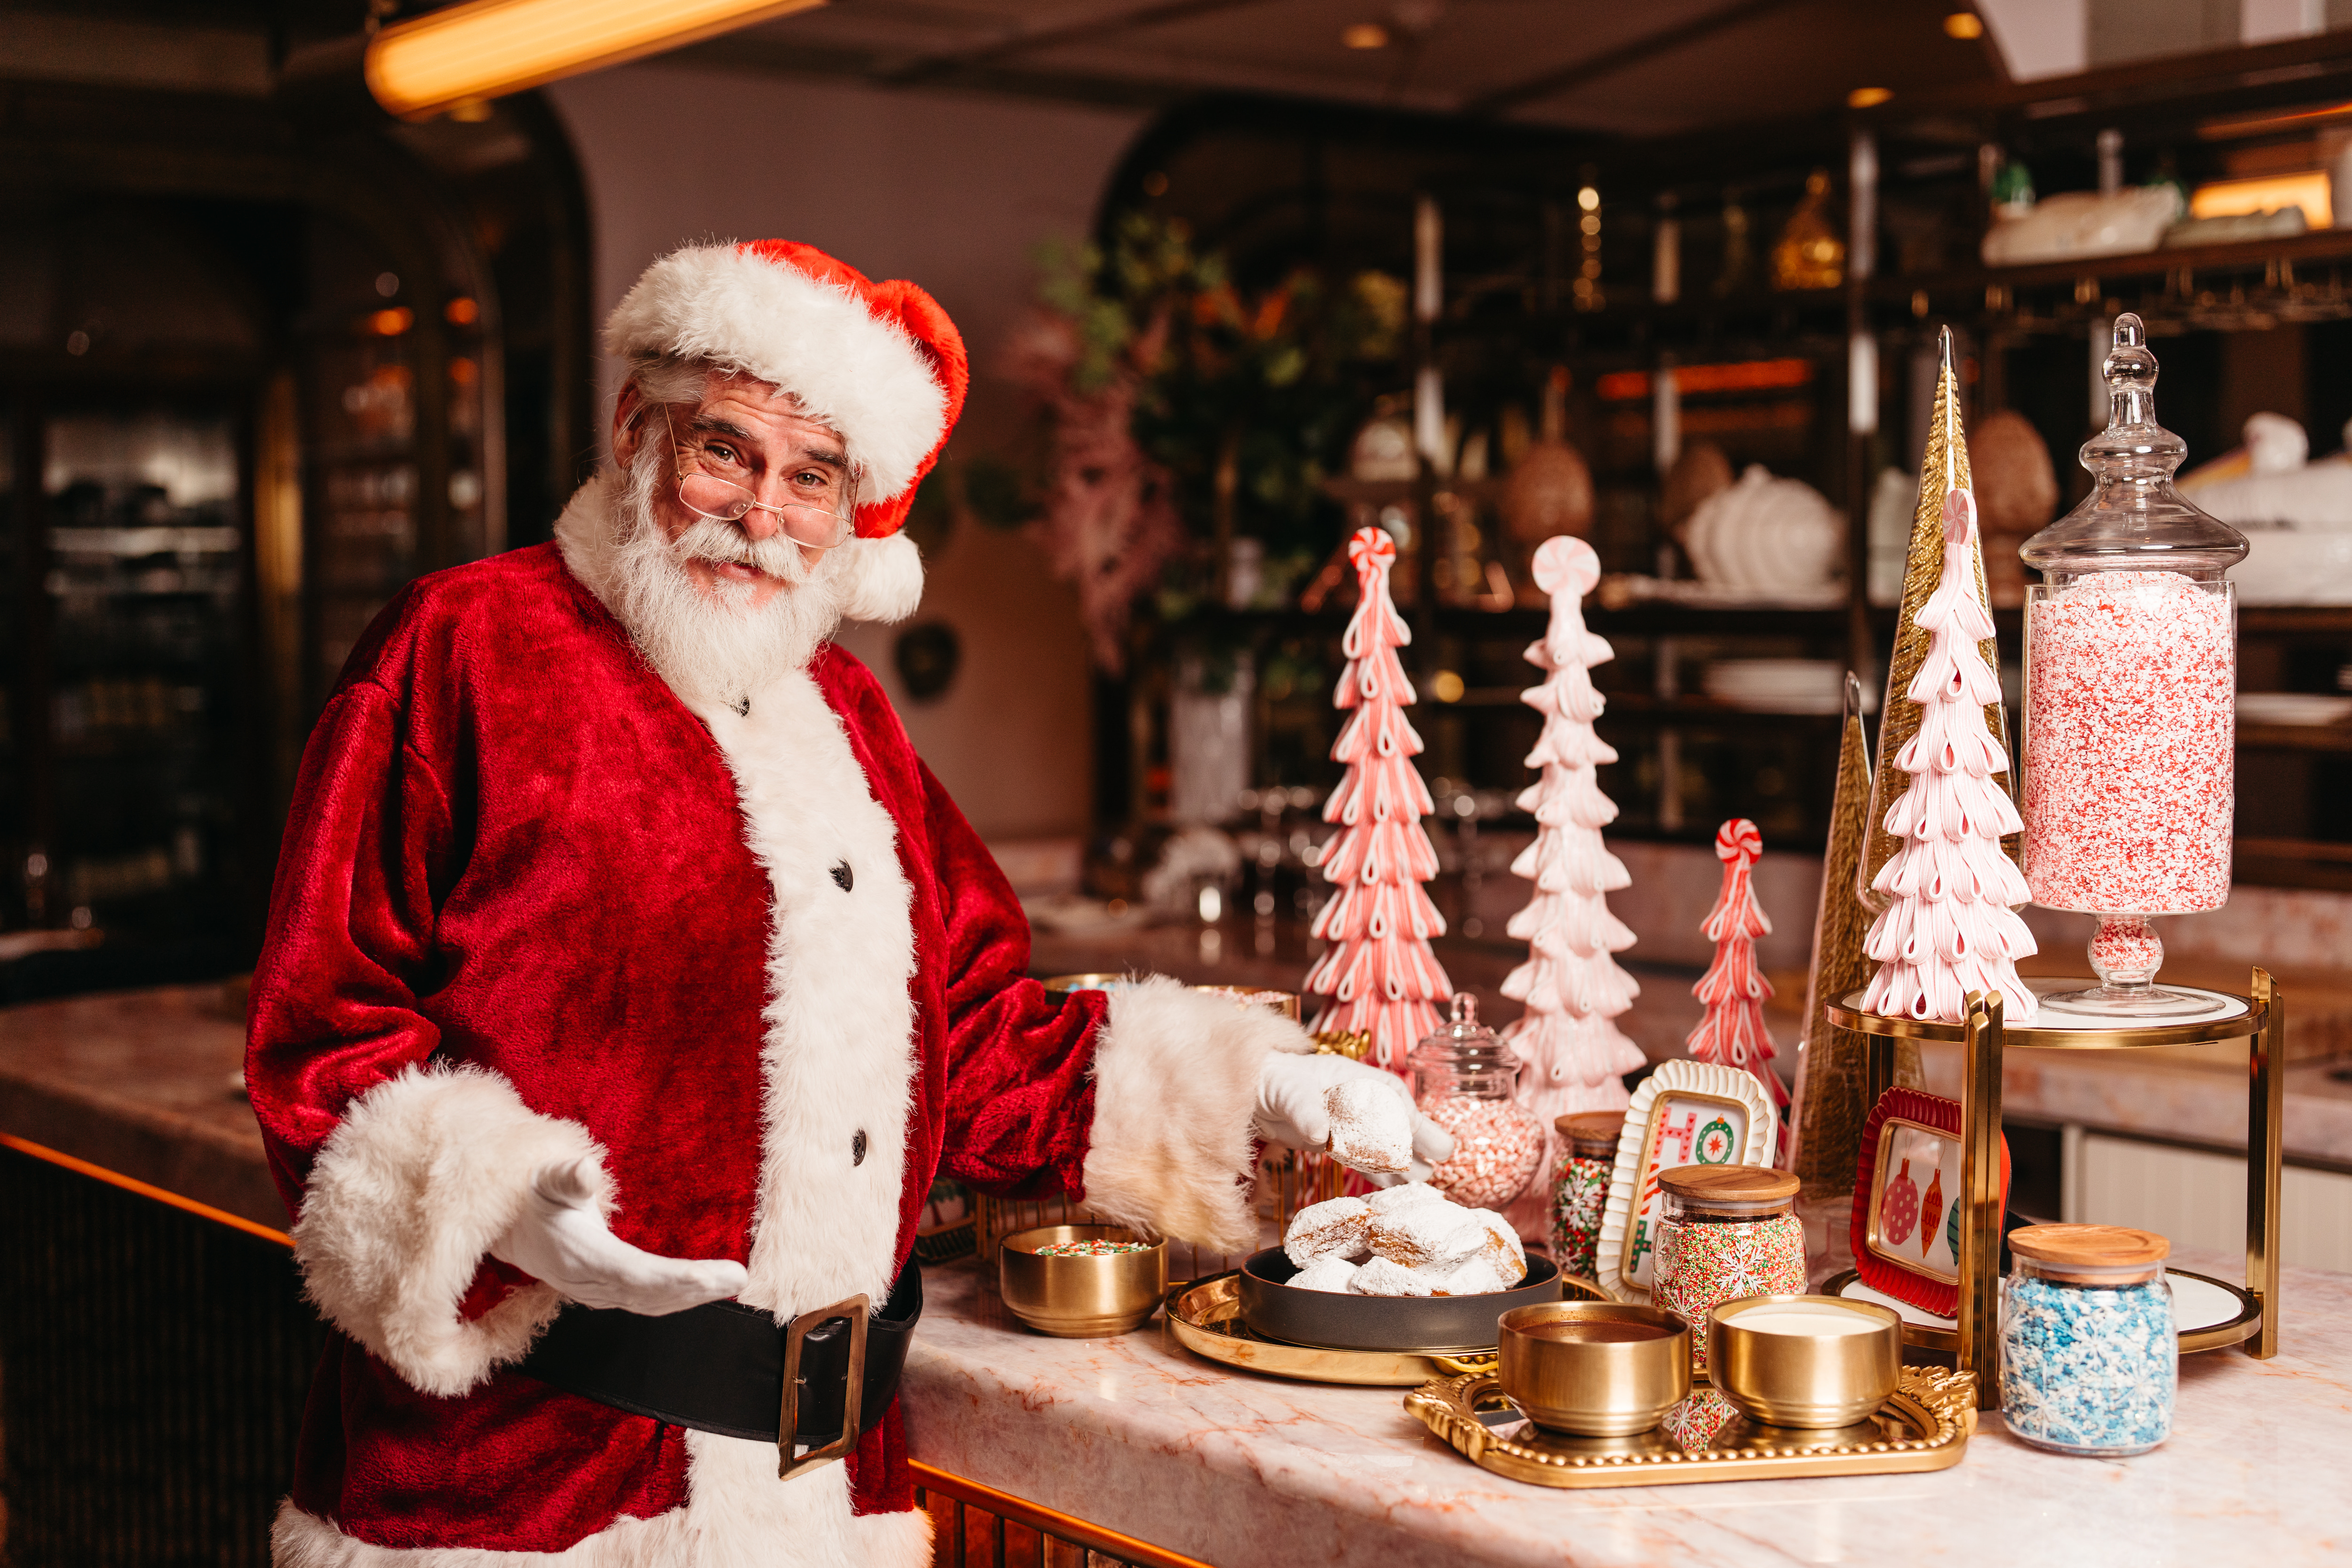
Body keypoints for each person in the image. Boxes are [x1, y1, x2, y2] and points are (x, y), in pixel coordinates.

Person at [246, 239, 1450, 1568]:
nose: (762, 514)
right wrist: (496, 1212)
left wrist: (1246, 1088)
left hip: (827, 1488)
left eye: (809, 476)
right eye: (726, 453)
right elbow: (324, 1028)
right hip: (525, 1489)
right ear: (635, 432)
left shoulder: (850, 714)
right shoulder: (460, 647)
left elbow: (969, 1030)